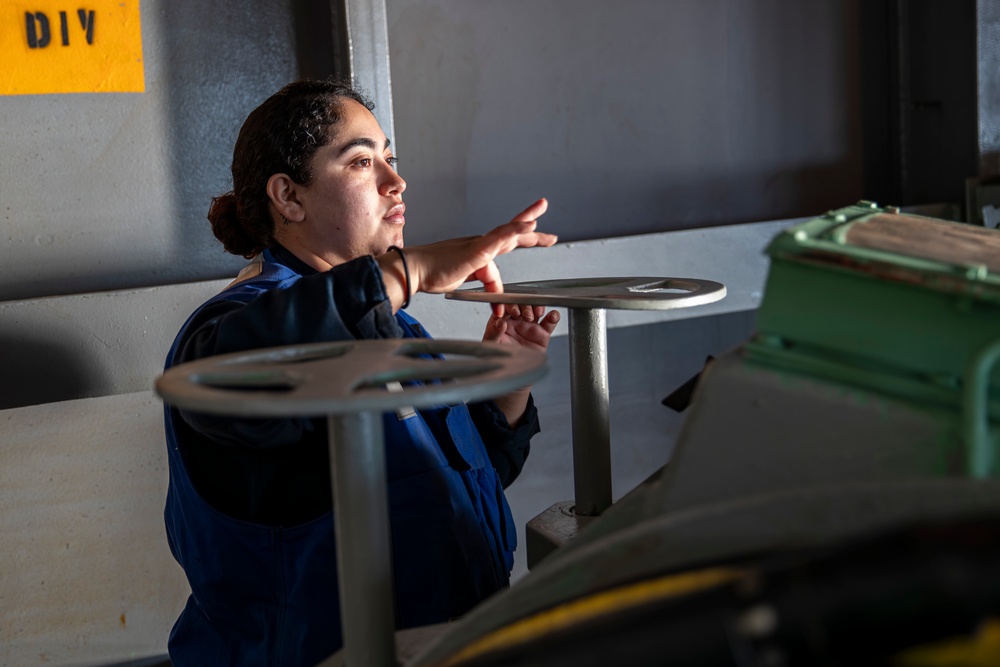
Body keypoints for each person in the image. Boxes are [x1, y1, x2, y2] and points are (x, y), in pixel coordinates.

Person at [161, 78, 560, 666]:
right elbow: (228, 383)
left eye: (390, 159)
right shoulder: (239, 320)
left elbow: (442, 487)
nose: (396, 182)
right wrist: (408, 271)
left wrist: (509, 387)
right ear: (289, 197)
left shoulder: (394, 328)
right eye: (362, 161)